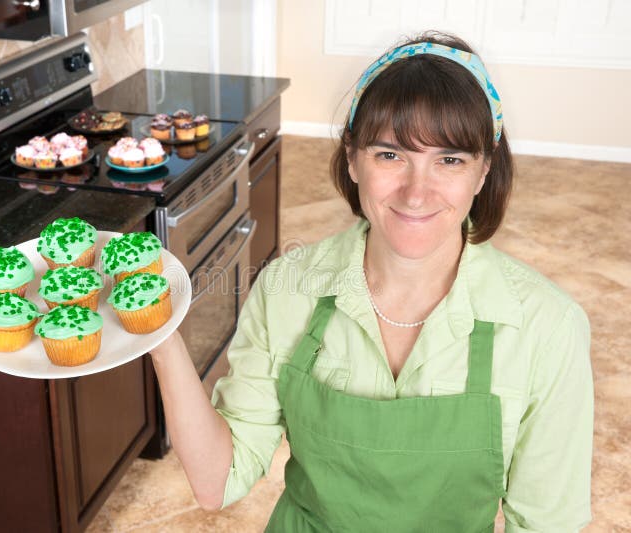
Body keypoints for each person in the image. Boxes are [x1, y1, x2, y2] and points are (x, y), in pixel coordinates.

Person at [150, 31, 593, 531]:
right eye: (390, 155)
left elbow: (545, 523)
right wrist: (160, 337)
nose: (416, 192)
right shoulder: (286, 289)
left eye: (449, 160)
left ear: (484, 170)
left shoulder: (548, 327)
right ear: (353, 159)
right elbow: (217, 483)